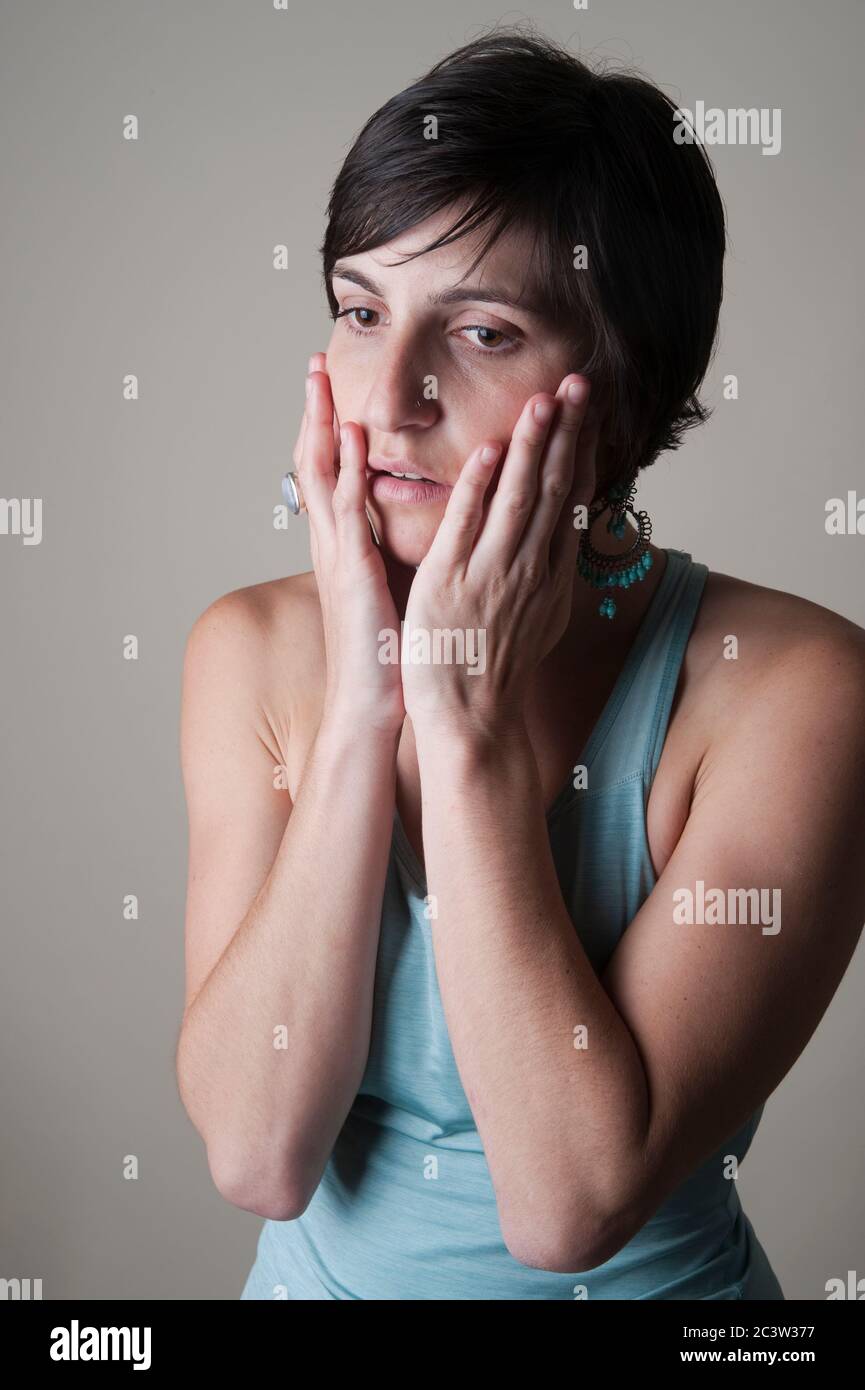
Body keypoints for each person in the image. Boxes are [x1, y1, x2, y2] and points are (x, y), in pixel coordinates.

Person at [175, 28, 865, 1299]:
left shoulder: (796, 693)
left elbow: (566, 1204)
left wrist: (464, 720)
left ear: (617, 397)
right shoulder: (253, 652)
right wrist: (365, 701)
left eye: (482, 333)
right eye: (361, 311)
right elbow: (260, 1155)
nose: (388, 396)